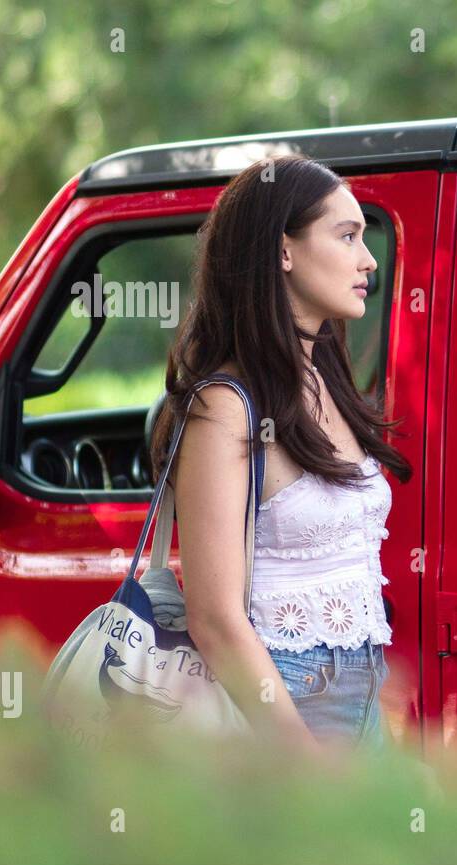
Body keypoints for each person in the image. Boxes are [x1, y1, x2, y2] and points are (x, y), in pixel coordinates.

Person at [148, 155, 412, 758]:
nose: (368, 260)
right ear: (282, 251)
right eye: (346, 236)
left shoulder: (323, 378)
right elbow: (214, 621)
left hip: (362, 687)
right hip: (284, 699)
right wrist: (301, 758)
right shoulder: (224, 406)